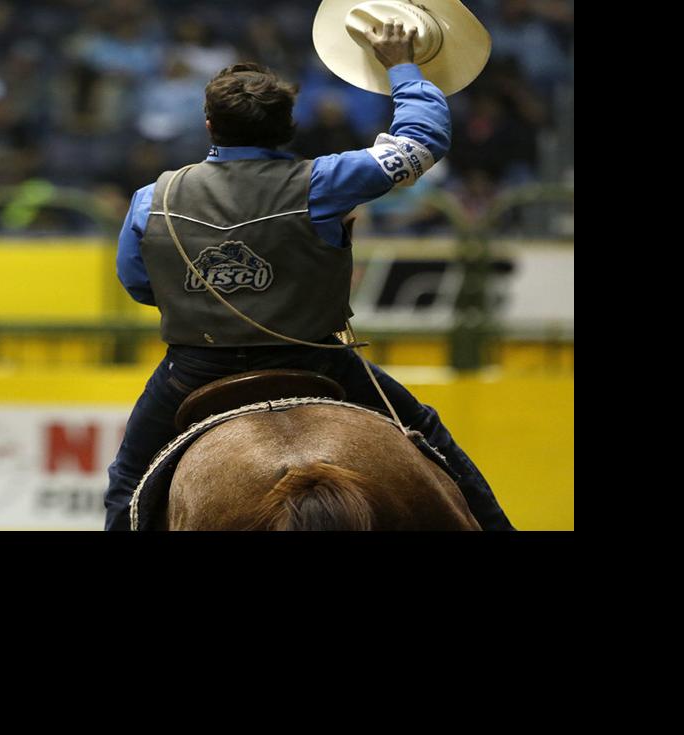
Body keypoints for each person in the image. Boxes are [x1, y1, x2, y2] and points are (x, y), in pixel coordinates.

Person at [104, 20, 514, 531]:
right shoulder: (324, 181)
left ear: (210, 126)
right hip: (319, 359)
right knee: (432, 440)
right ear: (287, 127)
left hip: (194, 370)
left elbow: (139, 284)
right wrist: (402, 65)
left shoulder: (153, 197)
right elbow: (422, 139)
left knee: (127, 486)